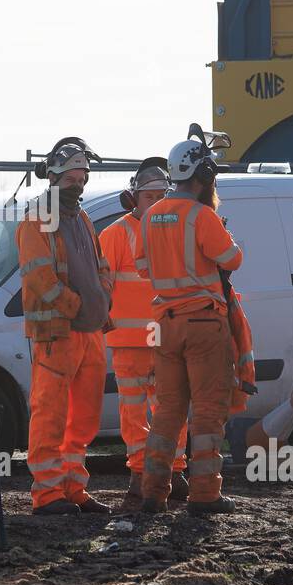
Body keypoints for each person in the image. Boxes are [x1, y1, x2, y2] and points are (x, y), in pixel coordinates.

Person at [134, 126, 243, 515]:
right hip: (203, 325)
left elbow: (143, 268)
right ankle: (204, 495)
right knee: (208, 413)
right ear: (205, 177)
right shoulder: (202, 216)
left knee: (167, 412)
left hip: (165, 324)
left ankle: (152, 492)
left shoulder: (149, 217)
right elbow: (232, 260)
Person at [15, 136, 113, 515]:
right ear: (54, 177)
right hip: (57, 334)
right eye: (73, 177)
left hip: (89, 333)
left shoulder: (82, 218)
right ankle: (48, 494)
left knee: (83, 418)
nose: (79, 183)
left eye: (83, 176)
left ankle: (74, 488)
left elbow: (100, 265)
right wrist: (76, 306)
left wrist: (102, 299)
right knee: (50, 413)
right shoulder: (37, 218)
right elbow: (39, 275)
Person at [99, 157, 189, 511]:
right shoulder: (116, 235)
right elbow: (102, 286)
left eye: (161, 195)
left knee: (172, 410)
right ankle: (141, 475)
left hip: (167, 340)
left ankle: (173, 472)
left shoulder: (176, 230)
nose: (156, 202)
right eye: (149, 197)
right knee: (135, 415)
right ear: (133, 198)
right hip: (131, 344)